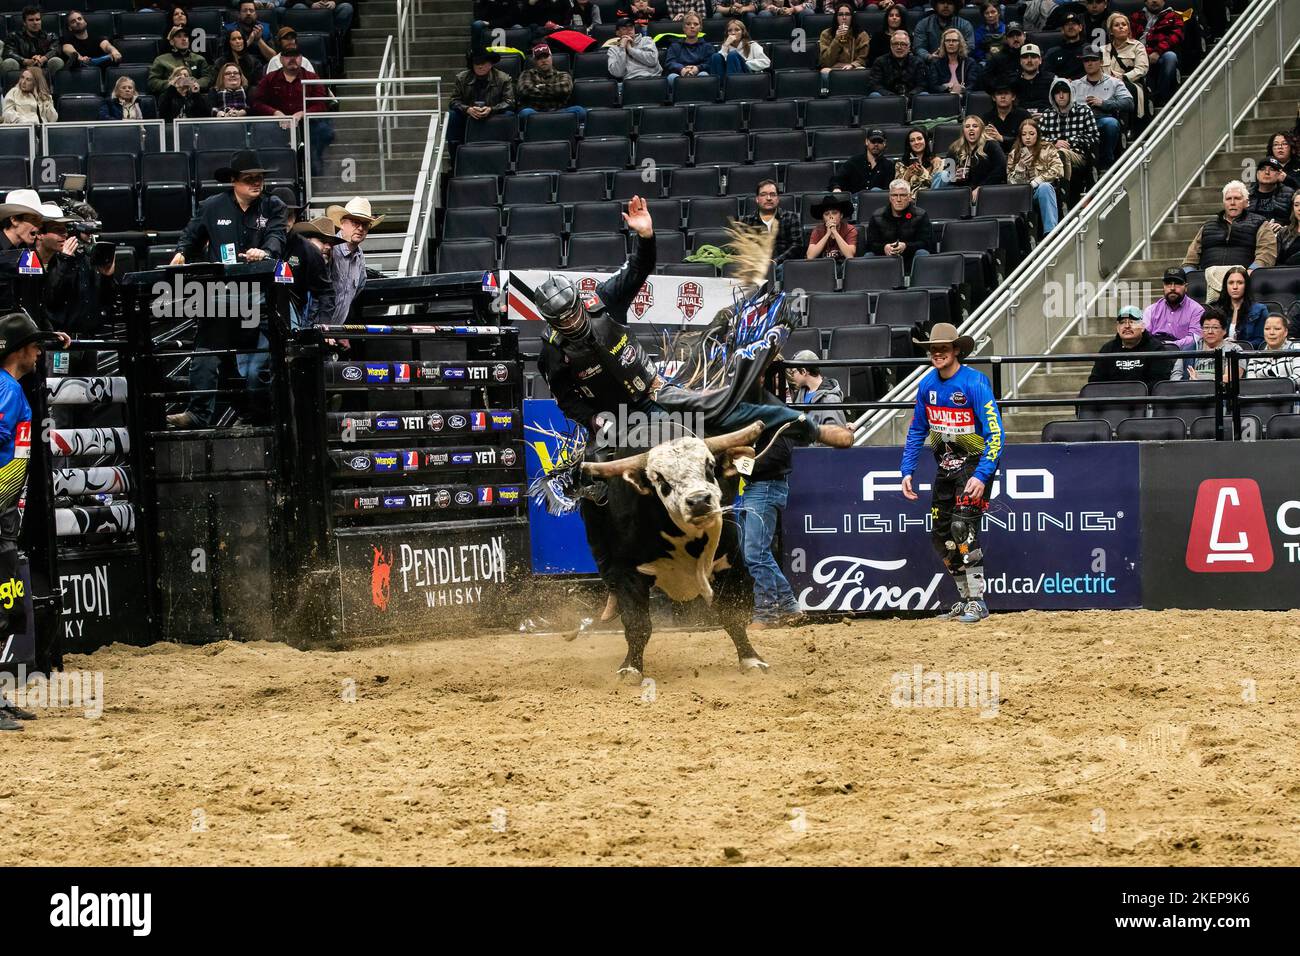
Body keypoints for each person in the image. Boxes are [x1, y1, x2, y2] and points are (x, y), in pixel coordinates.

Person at [535, 197, 854, 448]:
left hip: (655, 394)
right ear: (552, 322)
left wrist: (645, 236)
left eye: (574, 312)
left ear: (579, 302)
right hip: (614, 420)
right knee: (598, 481)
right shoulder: (552, 352)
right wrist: (593, 422)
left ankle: (814, 430)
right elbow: (567, 400)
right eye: (563, 320)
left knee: (732, 409)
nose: (572, 321)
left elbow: (638, 270)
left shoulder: (603, 302)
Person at [166, 150, 288, 429]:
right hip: (222, 295)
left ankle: (262, 417)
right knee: (206, 354)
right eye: (249, 179)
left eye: (259, 178)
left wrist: (266, 251)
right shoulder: (212, 206)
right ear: (234, 180)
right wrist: (181, 252)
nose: (256, 183)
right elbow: (190, 236)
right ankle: (199, 412)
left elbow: (277, 237)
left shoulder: (273, 206)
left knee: (260, 366)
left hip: (260, 296)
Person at [901, 322, 1003, 624]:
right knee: (940, 535)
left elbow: (995, 434)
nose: (938, 353)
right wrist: (907, 470)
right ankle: (964, 598)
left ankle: (978, 601)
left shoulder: (975, 382)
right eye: (934, 349)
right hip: (945, 467)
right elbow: (917, 429)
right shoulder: (927, 386)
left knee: (962, 528)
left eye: (944, 348)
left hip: (974, 467)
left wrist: (982, 475)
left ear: (957, 350)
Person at [0, 312, 62, 730]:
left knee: (5, 607)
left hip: (6, 511)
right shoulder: (6, 391)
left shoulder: (12, 391)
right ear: (20, 349)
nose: (41, 352)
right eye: (36, 345)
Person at [1180, 181, 1276, 298]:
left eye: (1237, 198)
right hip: (1208, 282)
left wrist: (1249, 272)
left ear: (1246, 202)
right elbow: (1191, 258)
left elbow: (1267, 253)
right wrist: (1191, 275)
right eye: (1228, 199)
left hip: (1244, 282)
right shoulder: (1208, 225)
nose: (1232, 202)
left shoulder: (1260, 223)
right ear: (1224, 202)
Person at [252, 49, 334, 177]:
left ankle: (315, 175)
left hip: (307, 124)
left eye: (295, 56)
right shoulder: (270, 78)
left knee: (324, 131)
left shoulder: (312, 78)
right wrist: (275, 113)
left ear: (301, 58)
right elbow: (256, 102)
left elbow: (322, 104)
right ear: (280, 60)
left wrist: (303, 113)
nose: (292, 59)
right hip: (277, 125)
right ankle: (277, 175)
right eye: (287, 56)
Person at [1070, 49, 1132, 170]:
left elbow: (1129, 103)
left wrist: (1103, 103)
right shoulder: (1075, 85)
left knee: (1111, 123)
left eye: (1093, 60)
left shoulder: (1114, 82)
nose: (1089, 63)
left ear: (1102, 62)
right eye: (1086, 60)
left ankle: (1106, 161)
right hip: (1080, 123)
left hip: (1102, 119)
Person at [1038, 78, 1099, 196]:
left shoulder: (1084, 110)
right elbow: (1038, 139)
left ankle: (1064, 194)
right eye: (1057, 93)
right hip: (1051, 156)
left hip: (1078, 154)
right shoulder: (1047, 114)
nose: (1061, 96)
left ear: (1071, 93)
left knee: (1062, 153)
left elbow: (1094, 137)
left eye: (1064, 92)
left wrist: (1070, 141)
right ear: (1053, 95)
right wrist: (1054, 142)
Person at [326, 196, 381, 325]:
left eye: (365, 224)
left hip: (334, 330)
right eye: (355, 222)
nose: (361, 228)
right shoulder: (328, 249)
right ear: (342, 223)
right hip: (318, 329)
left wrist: (340, 329)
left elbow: (353, 294)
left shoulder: (359, 256)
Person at [1086, 305, 1174, 387]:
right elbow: (1095, 381)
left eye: (1132, 322)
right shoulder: (1107, 350)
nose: (1127, 326)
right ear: (1117, 328)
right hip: (1113, 400)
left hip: (1144, 401)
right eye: (1122, 322)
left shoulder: (1156, 349)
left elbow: (1159, 383)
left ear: (1142, 327)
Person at [1006, 116, 1064, 233]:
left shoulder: (1047, 148)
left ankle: (1051, 232)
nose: (1027, 137)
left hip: (1040, 192)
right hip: (1022, 195)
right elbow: (1010, 182)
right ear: (1020, 136)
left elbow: (1058, 169)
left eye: (1031, 134)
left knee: (1045, 187)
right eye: (1024, 134)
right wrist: (1020, 168)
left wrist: (1037, 181)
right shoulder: (1014, 153)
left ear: (1037, 134)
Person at [933, 115, 1008, 203]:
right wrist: (954, 177)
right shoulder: (954, 148)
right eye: (967, 126)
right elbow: (947, 173)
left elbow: (1001, 168)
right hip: (960, 193)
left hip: (987, 190)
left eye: (975, 126)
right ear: (963, 131)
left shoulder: (991, 145)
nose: (971, 129)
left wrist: (981, 188)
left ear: (981, 130)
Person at [448, 50, 515, 146]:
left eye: (483, 63)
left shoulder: (503, 78)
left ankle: (508, 150)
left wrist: (491, 109)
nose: (480, 66)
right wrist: (467, 109)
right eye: (476, 63)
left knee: (509, 114)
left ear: (490, 64)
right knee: (453, 115)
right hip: (469, 113)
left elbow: (510, 102)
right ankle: (455, 152)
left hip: (494, 114)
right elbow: (453, 101)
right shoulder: (462, 78)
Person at [284, 215, 339, 328]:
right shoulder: (293, 260)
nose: (328, 247)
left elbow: (327, 294)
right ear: (307, 241)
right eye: (322, 241)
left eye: (331, 243)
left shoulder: (332, 272)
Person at [866, 180, 935, 268]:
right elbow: (870, 245)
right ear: (890, 198)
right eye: (894, 195)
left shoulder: (921, 215)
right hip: (884, 260)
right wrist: (884, 248)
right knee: (868, 256)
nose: (898, 199)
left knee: (922, 253)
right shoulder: (877, 216)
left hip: (911, 259)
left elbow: (926, 243)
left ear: (909, 197)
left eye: (903, 195)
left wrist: (906, 246)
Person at [737, 179, 804, 270]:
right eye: (763, 194)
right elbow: (742, 249)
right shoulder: (747, 221)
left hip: (783, 265)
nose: (768, 198)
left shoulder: (791, 217)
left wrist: (775, 261)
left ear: (778, 199)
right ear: (757, 199)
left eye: (773, 194)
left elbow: (797, 246)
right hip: (756, 267)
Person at [1130, 0, 1181, 108]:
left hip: (1161, 54)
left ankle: (1163, 98)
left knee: (1170, 57)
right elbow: (1129, 38)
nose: (1154, 1)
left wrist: (1157, 51)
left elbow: (1176, 36)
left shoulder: (1174, 16)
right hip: (1137, 53)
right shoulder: (1135, 16)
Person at [516, 42, 586, 121]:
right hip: (535, 113)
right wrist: (554, 91)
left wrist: (539, 87)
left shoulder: (563, 74)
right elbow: (525, 90)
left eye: (546, 56)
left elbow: (564, 89)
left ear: (551, 57)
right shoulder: (526, 73)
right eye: (539, 58)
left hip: (559, 112)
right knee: (526, 113)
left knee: (580, 111)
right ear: (534, 61)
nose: (543, 60)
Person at [1101, 11, 1149, 121]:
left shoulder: (1137, 46)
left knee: (1125, 88)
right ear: (1111, 31)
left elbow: (1142, 68)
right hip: (1106, 86)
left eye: (1124, 24)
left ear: (1128, 28)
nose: (1121, 27)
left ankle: (1131, 126)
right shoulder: (1103, 50)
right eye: (1117, 25)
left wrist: (1123, 77)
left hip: (1131, 83)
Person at [1144, 266, 1205, 351]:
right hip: (1155, 353)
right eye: (1168, 283)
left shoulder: (1197, 310)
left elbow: (1194, 339)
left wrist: (1169, 346)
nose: (1172, 288)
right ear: (1164, 286)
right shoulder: (1151, 310)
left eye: (1177, 283)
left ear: (1186, 287)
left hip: (1182, 354)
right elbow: (1144, 337)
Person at [1, 7, 64, 81]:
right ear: (24, 23)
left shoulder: (51, 36)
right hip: (22, 68)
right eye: (31, 20)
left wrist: (43, 59)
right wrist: (25, 61)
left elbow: (56, 50)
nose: (35, 23)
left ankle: (54, 89)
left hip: (44, 67)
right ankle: (14, 91)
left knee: (56, 61)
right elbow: (8, 52)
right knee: (9, 62)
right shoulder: (14, 37)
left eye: (38, 19)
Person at [1212, 265, 1267, 349]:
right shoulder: (1217, 310)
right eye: (1231, 283)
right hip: (1220, 356)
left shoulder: (1259, 310)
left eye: (1240, 283)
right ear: (1225, 286)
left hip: (1248, 356)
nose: (1235, 287)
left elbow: (1261, 341)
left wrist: (1236, 346)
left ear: (1246, 286)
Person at [1184, 308, 1242, 382]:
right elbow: (1176, 376)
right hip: (1190, 390)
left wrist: (1198, 383)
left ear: (1224, 331)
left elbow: (1230, 378)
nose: (1210, 332)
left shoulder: (1234, 349)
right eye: (1206, 327)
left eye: (1215, 327)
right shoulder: (1189, 349)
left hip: (1221, 391)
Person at [149, 26, 210, 95]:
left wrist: (194, 83)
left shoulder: (199, 59)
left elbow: (207, 79)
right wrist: (172, 83)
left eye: (186, 36)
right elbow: (153, 82)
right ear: (172, 42)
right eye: (179, 36)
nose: (184, 39)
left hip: (194, 97)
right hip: (171, 97)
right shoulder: (161, 60)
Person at [831, 127, 895, 193]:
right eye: (873, 141)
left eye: (879, 141)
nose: (876, 144)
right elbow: (837, 179)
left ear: (884, 143)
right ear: (866, 142)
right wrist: (836, 188)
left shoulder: (888, 166)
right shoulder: (854, 162)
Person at [868, 30, 927, 97]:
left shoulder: (918, 62)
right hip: (887, 99)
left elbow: (922, 85)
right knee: (874, 95)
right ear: (891, 46)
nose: (899, 47)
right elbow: (875, 85)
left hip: (911, 98)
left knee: (924, 95)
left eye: (903, 44)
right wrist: (892, 97)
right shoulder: (880, 61)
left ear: (909, 47)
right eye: (895, 44)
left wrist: (909, 96)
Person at [1246, 313, 1300, 386]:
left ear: (1285, 332)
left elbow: (1298, 377)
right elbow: (1251, 384)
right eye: (1267, 329)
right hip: (1261, 395)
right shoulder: (1254, 357)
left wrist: (1274, 387)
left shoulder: (1296, 348)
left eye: (1277, 329)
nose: (1271, 333)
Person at [664, 12, 716, 86]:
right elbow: (670, 62)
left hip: (699, 74)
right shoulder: (674, 46)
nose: (692, 26)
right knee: (672, 77)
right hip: (680, 74)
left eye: (696, 24)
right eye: (688, 24)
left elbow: (709, 63)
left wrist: (697, 68)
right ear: (683, 28)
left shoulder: (707, 46)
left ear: (700, 28)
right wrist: (682, 69)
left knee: (704, 75)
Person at [926, 27, 981, 95]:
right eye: (948, 40)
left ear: (960, 43)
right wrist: (946, 87)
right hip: (942, 99)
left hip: (964, 99)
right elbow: (932, 87)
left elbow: (973, 85)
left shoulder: (969, 63)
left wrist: (962, 90)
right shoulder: (936, 63)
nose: (951, 43)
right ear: (944, 43)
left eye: (954, 40)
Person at [819, 3, 869, 77]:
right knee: (824, 72)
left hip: (853, 68)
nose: (844, 17)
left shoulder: (862, 34)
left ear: (852, 17)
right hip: (833, 68)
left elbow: (862, 58)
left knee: (861, 69)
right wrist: (836, 39)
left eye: (848, 14)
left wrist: (853, 65)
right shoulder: (826, 34)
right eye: (840, 14)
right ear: (836, 17)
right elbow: (825, 62)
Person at [805, 193, 858, 260]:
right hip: (824, 266)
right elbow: (810, 256)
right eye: (826, 214)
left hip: (844, 266)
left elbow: (850, 255)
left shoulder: (850, 229)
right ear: (823, 218)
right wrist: (828, 234)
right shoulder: (817, 231)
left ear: (841, 215)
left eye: (834, 213)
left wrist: (835, 232)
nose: (831, 217)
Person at [1247, 156, 1295, 226]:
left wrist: (1284, 228)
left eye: (1272, 169)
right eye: (1262, 169)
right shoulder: (1246, 195)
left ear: (1279, 174)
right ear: (1257, 174)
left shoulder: (1290, 194)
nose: (1267, 172)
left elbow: (1295, 222)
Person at [980, 20, 1025, 94]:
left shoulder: (1032, 55)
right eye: (1011, 36)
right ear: (1006, 39)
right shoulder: (997, 58)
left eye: (1018, 35)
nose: (1015, 39)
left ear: (1024, 36)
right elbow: (986, 78)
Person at [896, 127, 944, 194]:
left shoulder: (936, 161)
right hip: (907, 199)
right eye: (912, 140)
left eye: (919, 139)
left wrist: (923, 173)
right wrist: (907, 176)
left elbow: (936, 185)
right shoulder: (900, 164)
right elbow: (896, 188)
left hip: (930, 197)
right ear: (909, 144)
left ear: (925, 141)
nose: (916, 142)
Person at [1044, 11, 1088, 80]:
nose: (1071, 27)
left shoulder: (1089, 49)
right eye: (1067, 24)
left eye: (1074, 24)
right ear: (1062, 30)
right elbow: (1046, 72)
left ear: (1080, 27)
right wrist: (1060, 80)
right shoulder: (1053, 52)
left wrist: (1074, 80)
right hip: (1059, 87)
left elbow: (1094, 70)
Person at [1013, 42, 1055, 111]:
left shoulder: (1052, 79)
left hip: (1047, 118)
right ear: (1020, 61)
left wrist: (1045, 115)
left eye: (1033, 56)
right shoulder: (1013, 81)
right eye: (1025, 57)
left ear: (1040, 60)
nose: (1029, 60)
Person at [1275, 190, 1300, 266]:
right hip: (1287, 275)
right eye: (1296, 205)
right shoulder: (1284, 233)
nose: (1299, 208)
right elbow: (1276, 260)